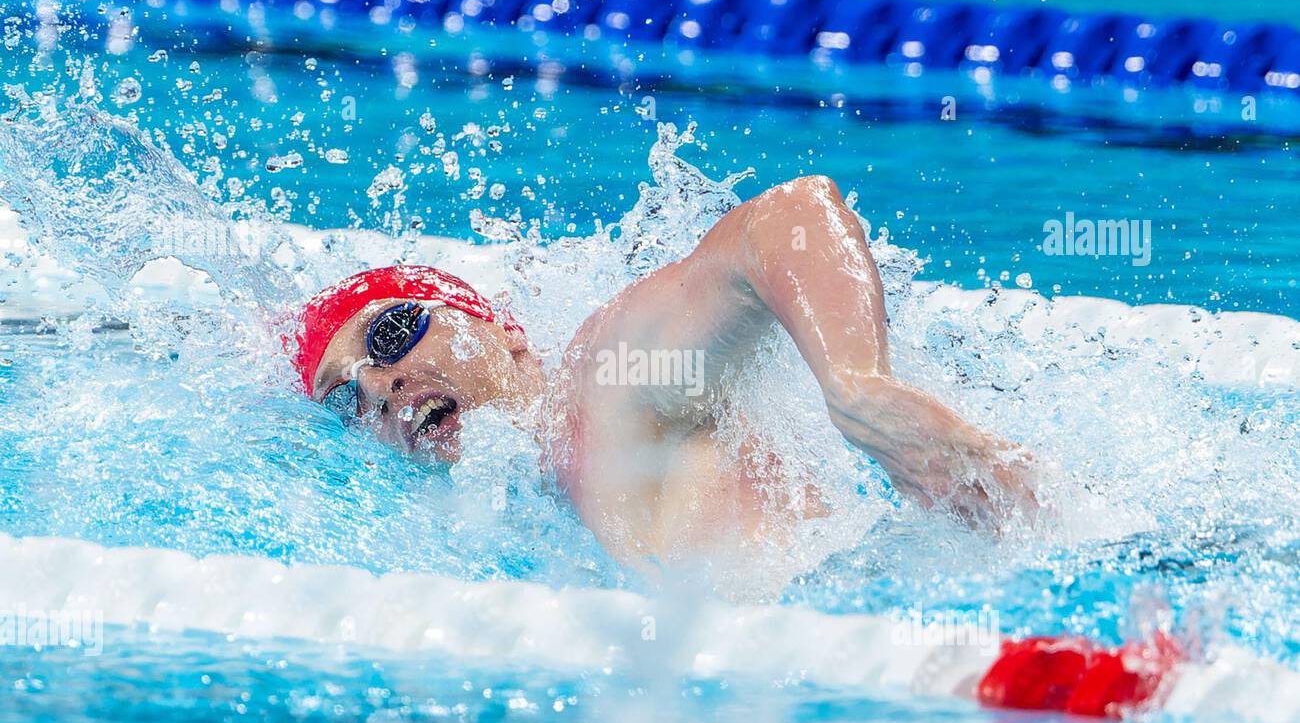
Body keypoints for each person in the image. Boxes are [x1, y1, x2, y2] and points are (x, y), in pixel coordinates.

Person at [291, 176, 1039, 587]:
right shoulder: (514, 516)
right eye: (343, 398)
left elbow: (785, 218)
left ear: (503, 333)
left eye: (389, 334)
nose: (378, 386)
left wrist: (858, 386)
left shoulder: (597, 393)